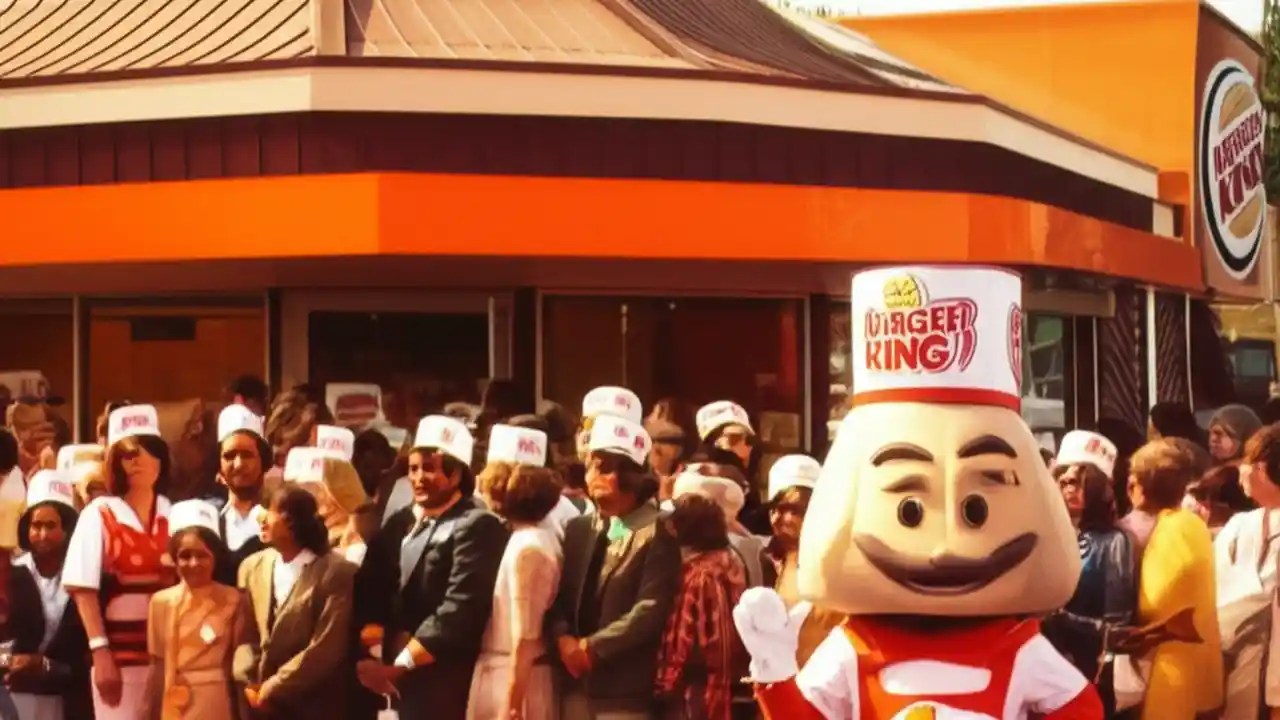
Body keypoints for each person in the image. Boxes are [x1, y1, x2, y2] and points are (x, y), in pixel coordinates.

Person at [733, 266, 1100, 718]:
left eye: (976, 509)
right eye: (909, 509)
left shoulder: (1018, 647)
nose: (945, 548)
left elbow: (1082, 709)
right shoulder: (855, 645)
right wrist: (773, 671)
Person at [357, 416, 508, 720]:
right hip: (387, 678)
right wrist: (371, 655)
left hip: (443, 679)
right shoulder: (399, 523)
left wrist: (403, 663)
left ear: (456, 475)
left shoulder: (477, 524)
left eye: (430, 468)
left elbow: (461, 608)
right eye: (413, 469)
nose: (419, 478)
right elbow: (370, 588)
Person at [548, 413, 682, 720]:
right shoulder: (579, 528)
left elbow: (650, 608)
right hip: (573, 685)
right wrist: (563, 639)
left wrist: (591, 649)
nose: (593, 474)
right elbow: (558, 595)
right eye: (591, 465)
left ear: (632, 476)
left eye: (605, 467)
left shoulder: (658, 531)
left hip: (623, 690)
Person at [63, 404, 175, 720]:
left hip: (169, 660)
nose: (137, 460)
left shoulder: (173, 512)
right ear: (114, 463)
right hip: (119, 661)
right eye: (128, 453)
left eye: (147, 450)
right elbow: (82, 589)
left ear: (161, 459)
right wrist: (101, 654)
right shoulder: (98, 513)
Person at [1118, 437, 1222, 718]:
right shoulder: (1194, 525)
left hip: (1162, 676)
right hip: (1203, 668)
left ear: (1133, 485)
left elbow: (1154, 601)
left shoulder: (1133, 532)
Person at [235, 485, 356, 717]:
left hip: (315, 703)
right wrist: (249, 681)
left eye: (269, 510)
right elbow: (244, 634)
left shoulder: (337, 571)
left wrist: (275, 686)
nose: (261, 516)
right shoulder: (252, 567)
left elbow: (327, 645)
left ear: (293, 521)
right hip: (260, 705)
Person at [1041, 430, 1135, 715]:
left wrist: (1061, 619)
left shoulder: (1114, 541)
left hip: (1090, 666)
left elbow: (1118, 623)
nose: (1070, 488)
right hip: (1044, 660)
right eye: (1064, 481)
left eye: (1080, 482)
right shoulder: (1046, 534)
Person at [469, 463, 564, 720]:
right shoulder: (534, 538)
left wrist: (512, 703)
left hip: (515, 676)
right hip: (508, 669)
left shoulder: (528, 548)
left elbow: (526, 634)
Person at [142, 500, 252, 720]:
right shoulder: (160, 602)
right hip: (173, 704)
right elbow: (157, 666)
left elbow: (240, 666)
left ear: (215, 557)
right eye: (185, 556)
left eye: (202, 555)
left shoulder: (235, 599)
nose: (194, 563)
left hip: (216, 702)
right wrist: (148, 712)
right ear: (174, 558)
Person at [4, 470, 90, 720]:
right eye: (36, 525)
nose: (42, 534)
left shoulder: (83, 577)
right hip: (14, 697)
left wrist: (45, 665)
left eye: (51, 526)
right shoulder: (10, 574)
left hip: (67, 699)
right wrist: (12, 660)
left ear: (67, 529)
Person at [655, 493, 747, 720]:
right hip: (715, 687)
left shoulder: (701, 575)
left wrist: (665, 683)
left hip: (699, 691)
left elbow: (708, 641)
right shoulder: (730, 561)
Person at [1215, 423, 1280, 720]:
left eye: (1246, 462)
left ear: (1262, 469)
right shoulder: (1241, 523)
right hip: (1235, 654)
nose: (1241, 469)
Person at [214, 405, 271, 584]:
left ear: (263, 461)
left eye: (247, 455)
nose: (238, 464)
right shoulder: (211, 521)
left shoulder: (280, 519)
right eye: (229, 456)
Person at [695, 401, 768, 535]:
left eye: (750, 441)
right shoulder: (688, 500)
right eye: (734, 438)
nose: (746, 448)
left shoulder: (752, 500)